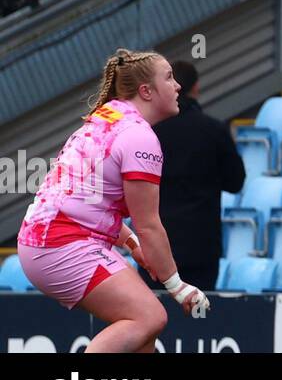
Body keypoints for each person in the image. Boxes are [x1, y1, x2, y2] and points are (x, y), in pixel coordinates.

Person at [18, 49, 209, 352]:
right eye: (169, 78)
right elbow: (149, 225)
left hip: (43, 242)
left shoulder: (108, 118)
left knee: (142, 334)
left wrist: (132, 245)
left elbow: (89, 203)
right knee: (150, 316)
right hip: (61, 244)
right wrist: (178, 286)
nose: (178, 87)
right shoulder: (139, 137)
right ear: (146, 91)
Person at [141, 60, 245, 293]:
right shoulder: (214, 129)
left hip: (156, 244)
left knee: (153, 315)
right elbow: (236, 181)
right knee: (198, 320)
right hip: (202, 245)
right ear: (196, 87)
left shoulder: (147, 132)